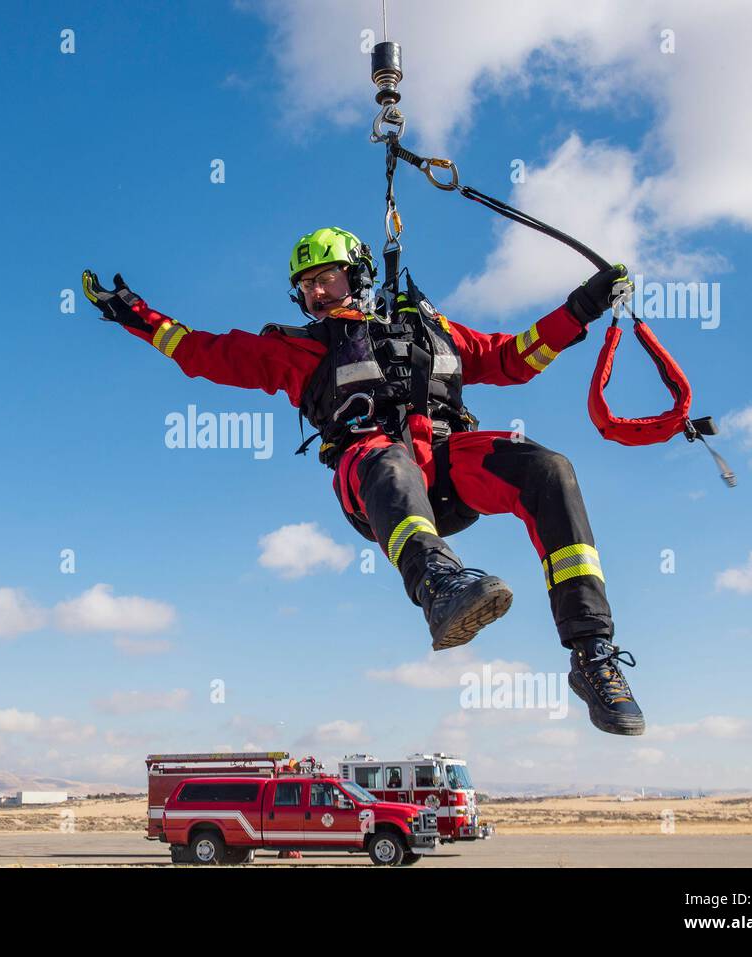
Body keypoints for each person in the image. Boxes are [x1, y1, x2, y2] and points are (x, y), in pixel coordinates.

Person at [83, 227, 644, 735]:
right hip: (373, 481)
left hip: (448, 471)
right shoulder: (298, 350)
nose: (316, 294)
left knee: (548, 468)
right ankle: (438, 589)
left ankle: (593, 654)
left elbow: (515, 356)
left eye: (325, 278)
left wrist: (583, 306)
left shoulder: (433, 330)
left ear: (357, 275)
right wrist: (135, 314)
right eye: (305, 287)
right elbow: (205, 353)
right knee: (387, 459)